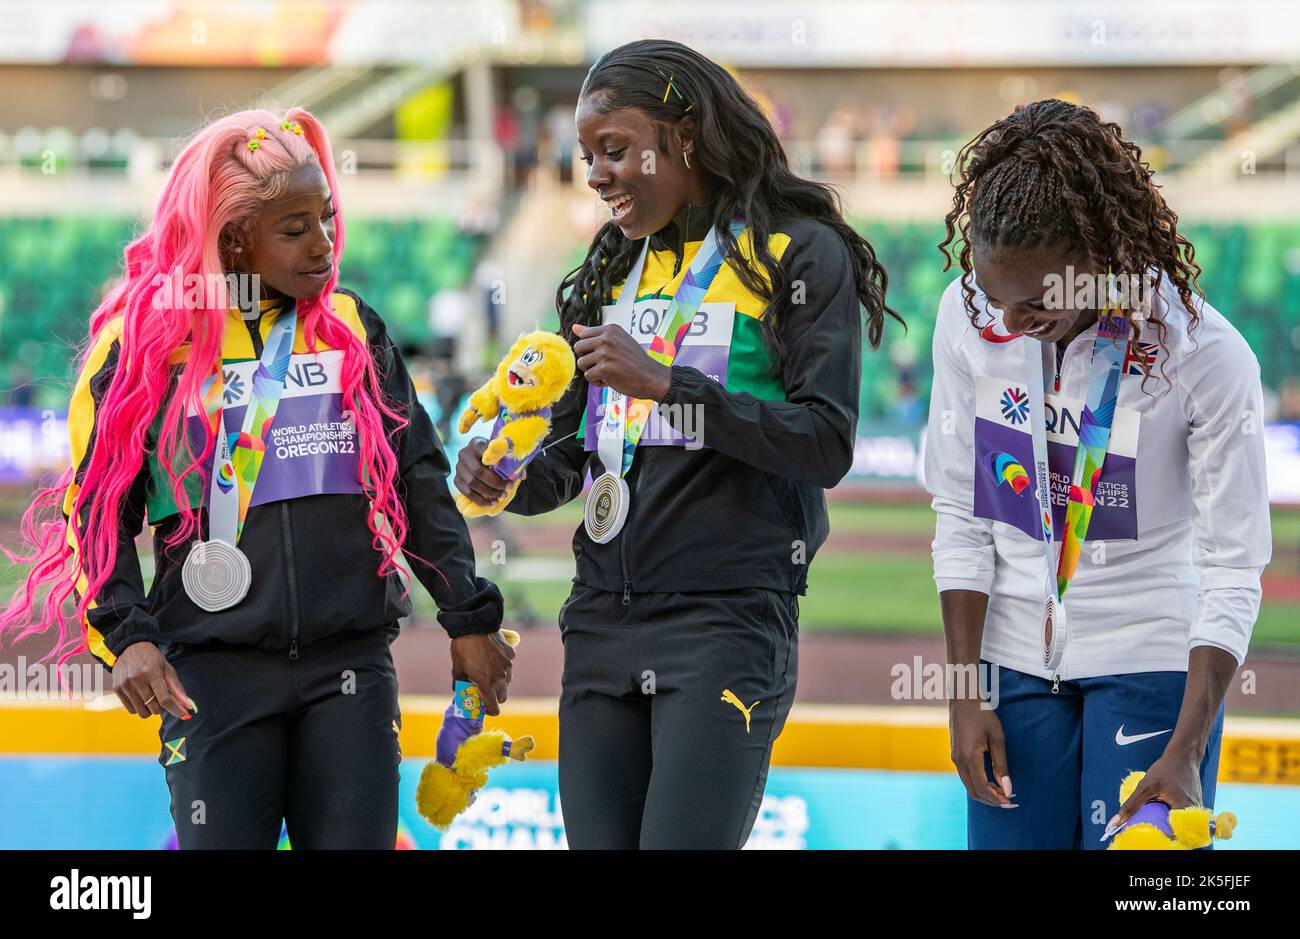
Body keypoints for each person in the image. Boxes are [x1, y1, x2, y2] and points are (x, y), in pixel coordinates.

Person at [0, 109, 513, 849]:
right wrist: (127, 636)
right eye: (296, 227)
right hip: (210, 676)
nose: (324, 243)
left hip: (350, 668)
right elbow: (100, 511)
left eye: (328, 219)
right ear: (236, 237)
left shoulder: (349, 327)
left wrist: (468, 616)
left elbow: (418, 479)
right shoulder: (148, 349)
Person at [455, 40, 898, 849]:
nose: (595, 174)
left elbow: (826, 440)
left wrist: (670, 385)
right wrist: (504, 477)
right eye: (587, 156)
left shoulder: (797, 252)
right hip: (600, 621)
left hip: (724, 620)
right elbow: (572, 458)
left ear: (683, 136)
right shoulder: (608, 270)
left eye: (615, 150)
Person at [926, 99, 1272, 849]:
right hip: (1011, 663)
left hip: (1152, 656)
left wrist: (1186, 749)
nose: (1009, 321)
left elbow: (1234, 566)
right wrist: (963, 692)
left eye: (1039, 299)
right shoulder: (965, 319)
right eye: (995, 295)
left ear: (1096, 254)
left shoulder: (1202, 354)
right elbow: (960, 511)